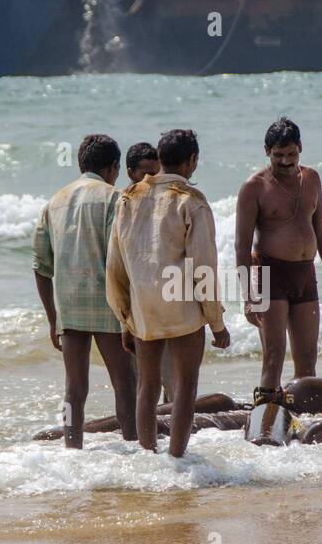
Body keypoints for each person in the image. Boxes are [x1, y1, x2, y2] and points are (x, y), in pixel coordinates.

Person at [107, 129, 230, 457]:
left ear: (161, 159)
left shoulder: (128, 197)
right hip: (182, 307)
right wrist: (217, 323)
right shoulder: (191, 200)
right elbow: (203, 267)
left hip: (143, 307)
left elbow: (115, 267)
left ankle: (149, 456)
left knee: (146, 386)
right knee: (185, 387)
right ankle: (176, 458)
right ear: (192, 161)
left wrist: (124, 319)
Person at [32, 134, 138, 449]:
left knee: (74, 389)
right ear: (114, 167)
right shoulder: (116, 198)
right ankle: (134, 446)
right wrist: (132, 313)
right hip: (108, 303)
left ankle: (72, 448)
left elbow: (40, 266)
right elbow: (126, 259)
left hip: (69, 305)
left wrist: (52, 318)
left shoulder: (54, 202)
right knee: (125, 383)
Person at [234, 117, 322, 397]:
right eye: (278, 155)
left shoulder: (311, 178)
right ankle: (266, 414)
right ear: (266, 151)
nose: (285, 162)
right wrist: (249, 297)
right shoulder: (254, 187)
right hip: (270, 274)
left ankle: (303, 425)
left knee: (308, 360)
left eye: (291, 155)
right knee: (274, 355)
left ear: (300, 148)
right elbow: (241, 246)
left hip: (305, 274)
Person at [124, 141, 172, 402]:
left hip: (169, 303)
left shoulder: (169, 202)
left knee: (173, 385)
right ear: (130, 172)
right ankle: (144, 441)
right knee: (142, 384)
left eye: (156, 173)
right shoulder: (124, 205)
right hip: (138, 308)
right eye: (145, 174)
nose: (152, 180)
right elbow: (117, 267)